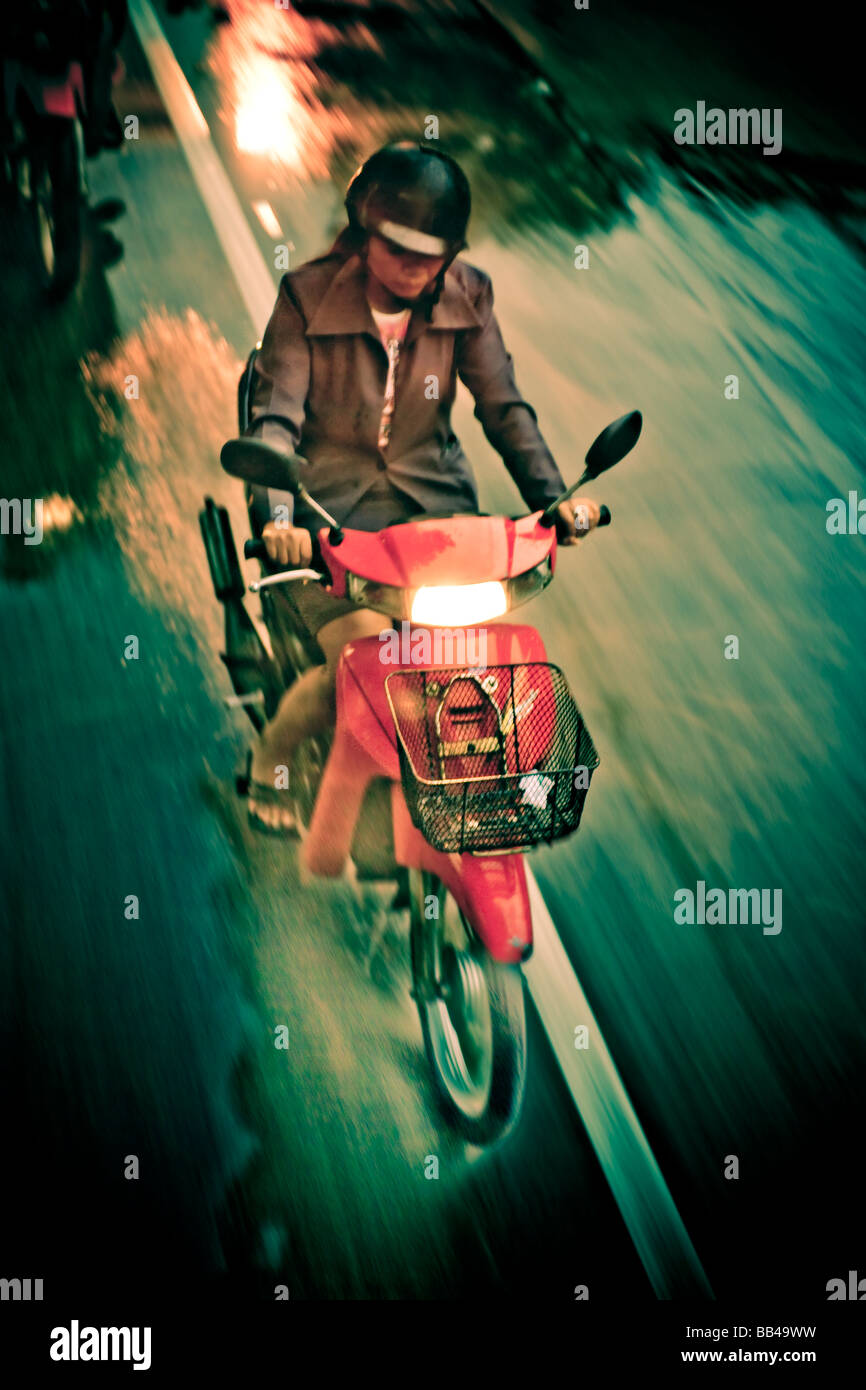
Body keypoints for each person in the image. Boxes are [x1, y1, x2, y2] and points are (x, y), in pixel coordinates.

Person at [235, 141, 602, 831]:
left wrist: (554, 501)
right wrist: (279, 520)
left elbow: (504, 408)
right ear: (364, 230)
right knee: (364, 664)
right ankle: (267, 764)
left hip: (438, 520)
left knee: (476, 667)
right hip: (329, 519)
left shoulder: (469, 296)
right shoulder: (306, 295)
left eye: (432, 254)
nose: (415, 267)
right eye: (399, 247)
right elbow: (274, 420)